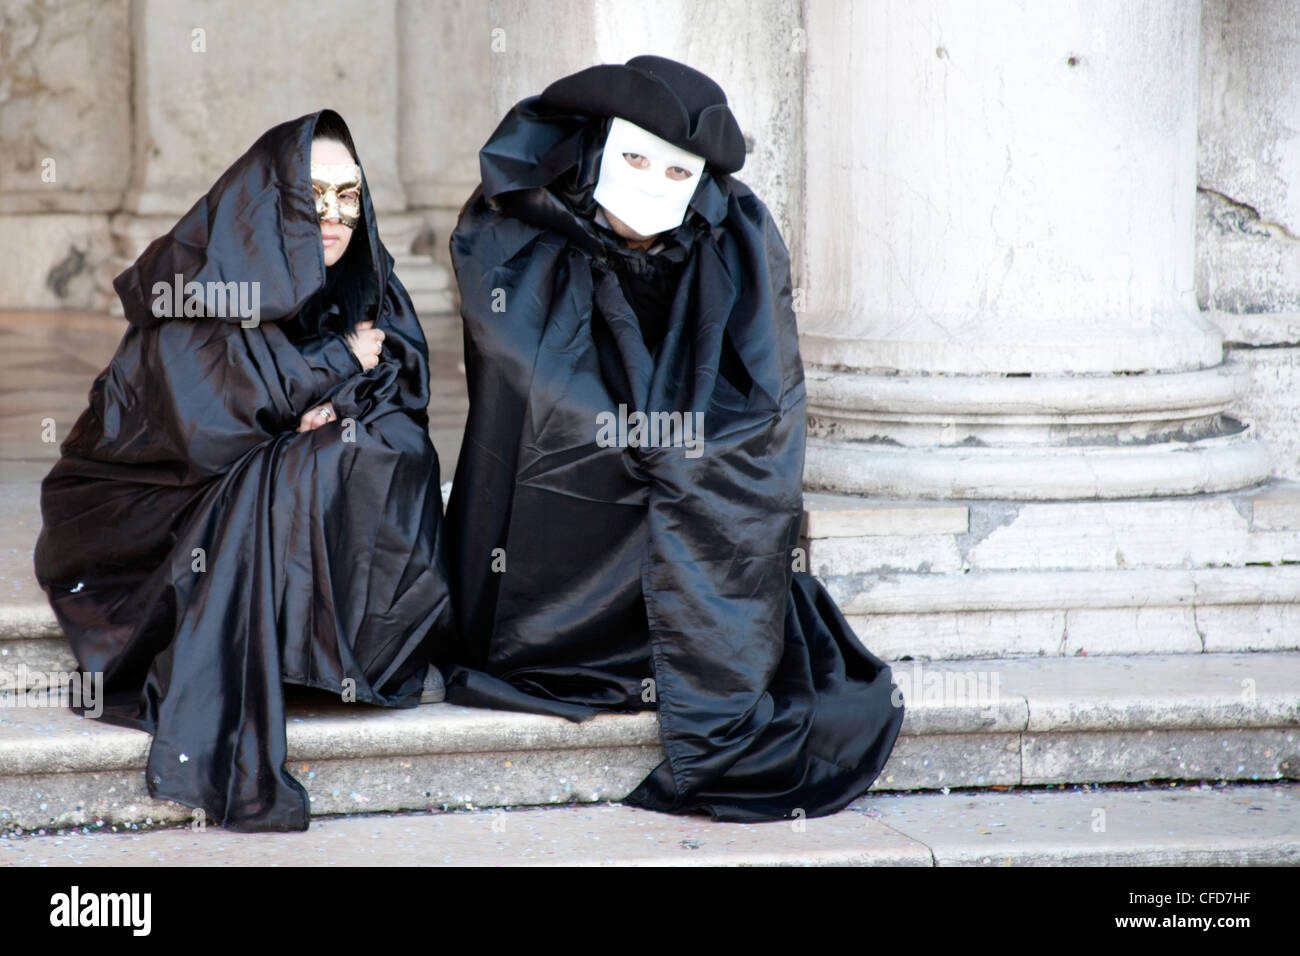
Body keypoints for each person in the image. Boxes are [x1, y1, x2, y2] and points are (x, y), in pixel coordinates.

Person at [442, 56, 903, 822]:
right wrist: (625, 433)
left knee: (709, 490)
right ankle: (578, 644)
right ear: (594, 149)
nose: (653, 184)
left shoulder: (735, 236)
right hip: (568, 460)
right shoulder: (515, 227)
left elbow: (766, 381)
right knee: (584, 470)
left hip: (691, 442)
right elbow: (523, 366)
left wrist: (692, 443)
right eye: (633, 158)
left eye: (675, 169)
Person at [33, 110, 453, 832]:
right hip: (143, 505)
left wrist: (341, 397)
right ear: (272, 202)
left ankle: (347, 654)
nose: (333, 217)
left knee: (385, 449)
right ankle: (294, 653)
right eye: (312, 196)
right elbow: (209, 429)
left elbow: (401, 371)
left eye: (348, 197)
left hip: (262, 456)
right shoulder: (200, 282)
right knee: (298, 471)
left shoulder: (361, 278)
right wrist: (331, 370)